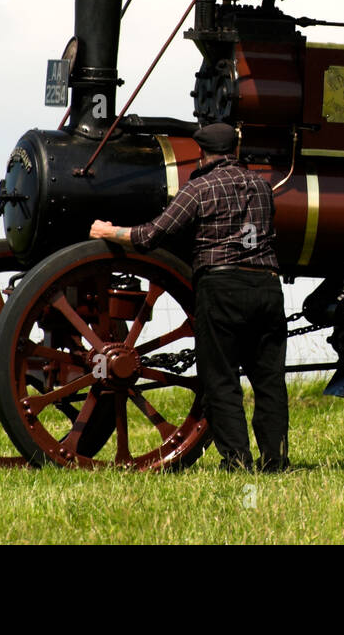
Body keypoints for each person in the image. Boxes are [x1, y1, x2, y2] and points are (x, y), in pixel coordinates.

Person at [90, 122, 288, 473]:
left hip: (222, 288)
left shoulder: (198, 189)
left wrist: (109, 231)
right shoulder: (262, 187)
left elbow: (151, 235)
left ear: (201, 152)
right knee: (269, 379)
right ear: (235, 151)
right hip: (267, 288)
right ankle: (275, 460)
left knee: (222, 377)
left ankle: (237, 461)